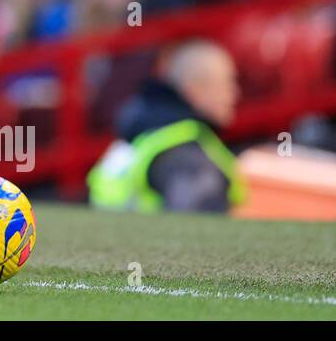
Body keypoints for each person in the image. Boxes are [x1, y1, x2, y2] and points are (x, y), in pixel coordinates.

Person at [89, 40, 247, 213]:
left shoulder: (147, 132)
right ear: (196, 89)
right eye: (227, 83)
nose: (234, 93)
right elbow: (196, 219)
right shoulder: (182, 151)